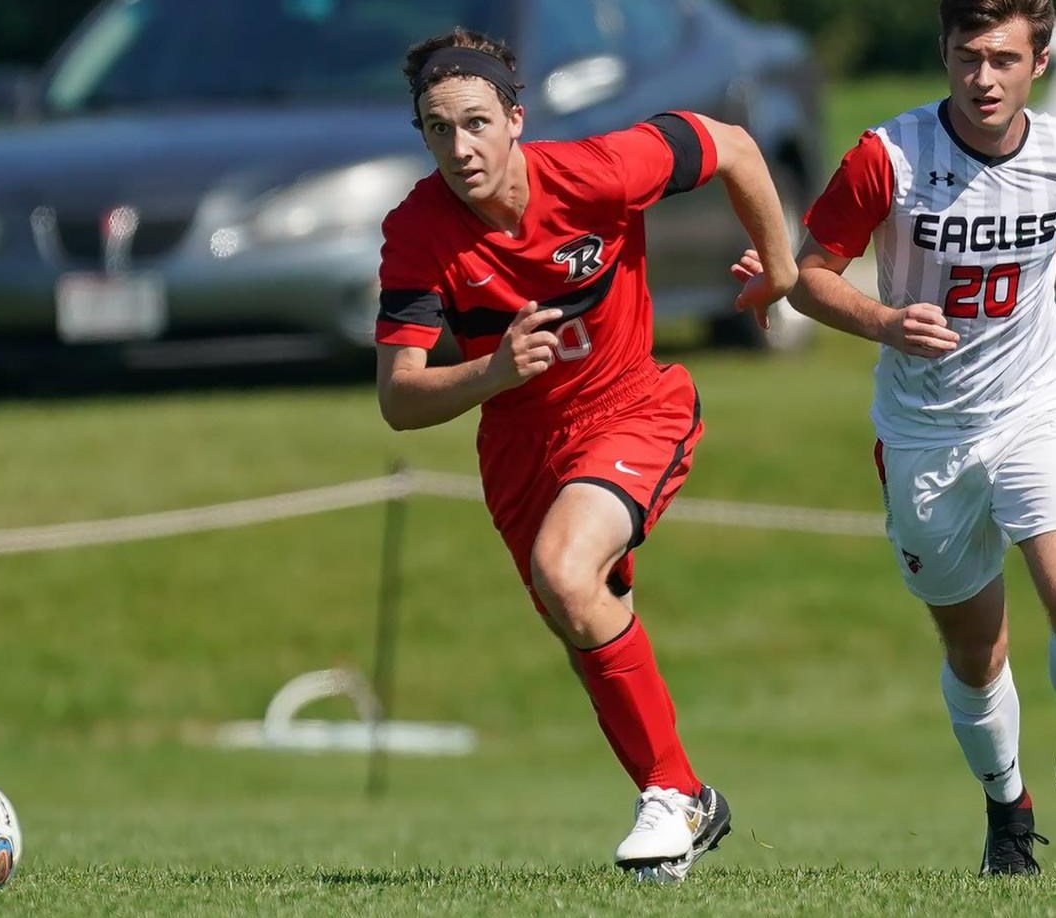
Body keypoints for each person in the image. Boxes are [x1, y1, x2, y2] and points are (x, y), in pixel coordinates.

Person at [374, 27, 797, 882]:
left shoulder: (601, 170)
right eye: (437, 130)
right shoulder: (416, 232)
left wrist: (781, 271)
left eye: (476, 123)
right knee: (578, 613)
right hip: (520, 451)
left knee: (566, 573)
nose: (460, 147)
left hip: (630, 406)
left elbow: (736, 147)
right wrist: (490, 373)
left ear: (516, 118)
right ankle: (682, 796)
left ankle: (669, 798)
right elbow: (399, 397)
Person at [732, 0, 1056, 877]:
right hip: (924, 436)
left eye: (1001, 58)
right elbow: (808, 275)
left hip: (1035, 413)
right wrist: (885, 321)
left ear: (1042, 59)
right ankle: (1008, 810)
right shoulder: (890, 156)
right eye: (965, 57)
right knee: (975, 649)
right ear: (944, 54)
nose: (982, 78)